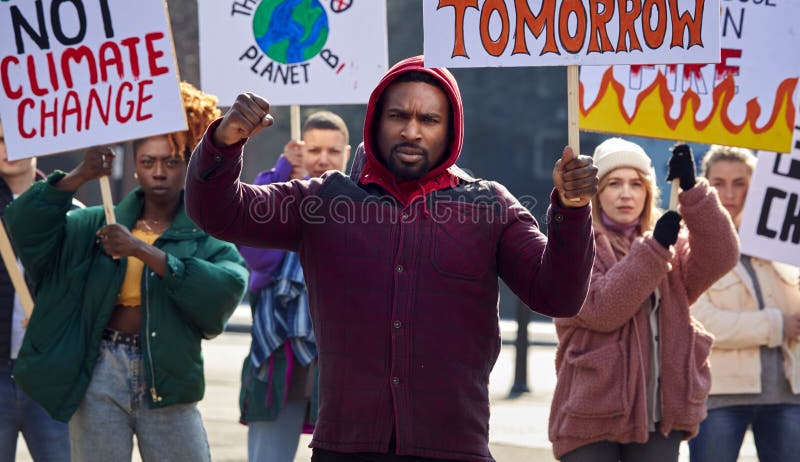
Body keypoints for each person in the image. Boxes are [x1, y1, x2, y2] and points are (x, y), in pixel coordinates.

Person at [185, 55, 599, 462]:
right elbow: (219, 213)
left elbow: (559, 296)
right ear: (375, 121)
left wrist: (573, 210)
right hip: (345, 447)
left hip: (455, 447)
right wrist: (224, 141)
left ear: (451, 129)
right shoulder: (323, 199)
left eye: (430, 120)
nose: (412, 131)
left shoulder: (489, 206)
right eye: (398, 116)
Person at [4, 82, 248, 462]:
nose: (159, 172)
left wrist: (143, 251)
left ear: (187, 164)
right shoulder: (96, 223)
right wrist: (77, 177)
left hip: (169, 378)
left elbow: (225, 289)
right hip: (99, 371)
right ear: (134, 168)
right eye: (148, 162)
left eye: (171, 161)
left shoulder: (201, 232)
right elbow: (25, 227)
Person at [548, 137, 739, 462]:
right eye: (613, 184)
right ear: (596, 193)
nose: (626, 193)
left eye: (636, 183)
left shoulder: (670, 245)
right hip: (590, 414)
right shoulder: (574, 242)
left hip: (658, 414)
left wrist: (694, 192)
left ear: (648, 191)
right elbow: (600, 310)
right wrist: (654, 250)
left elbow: (722, 255)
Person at [239, 111, 351, 461]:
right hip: (277, 358)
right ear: (298, 151)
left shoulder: (362, 204)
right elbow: (256, 253)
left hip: (340, 364)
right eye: (313, 149)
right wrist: (282, 175)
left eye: (332, 151)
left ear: (346, 154)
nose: (322, 159)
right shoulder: (278, 194)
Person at [688, 145, 800, 462]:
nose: (730, 194)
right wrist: (777, 325)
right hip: (719, 395)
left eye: (740, 183)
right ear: (705, 185)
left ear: (758, 188)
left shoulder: (781, 240)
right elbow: (699, 319)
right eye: (719, 183)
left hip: (788, 394)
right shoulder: (692, 242)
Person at [0, 123, 72, 462]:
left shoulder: (66, 208)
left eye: (15, 136)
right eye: (0, 139)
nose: (7, 147)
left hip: (48, 375)